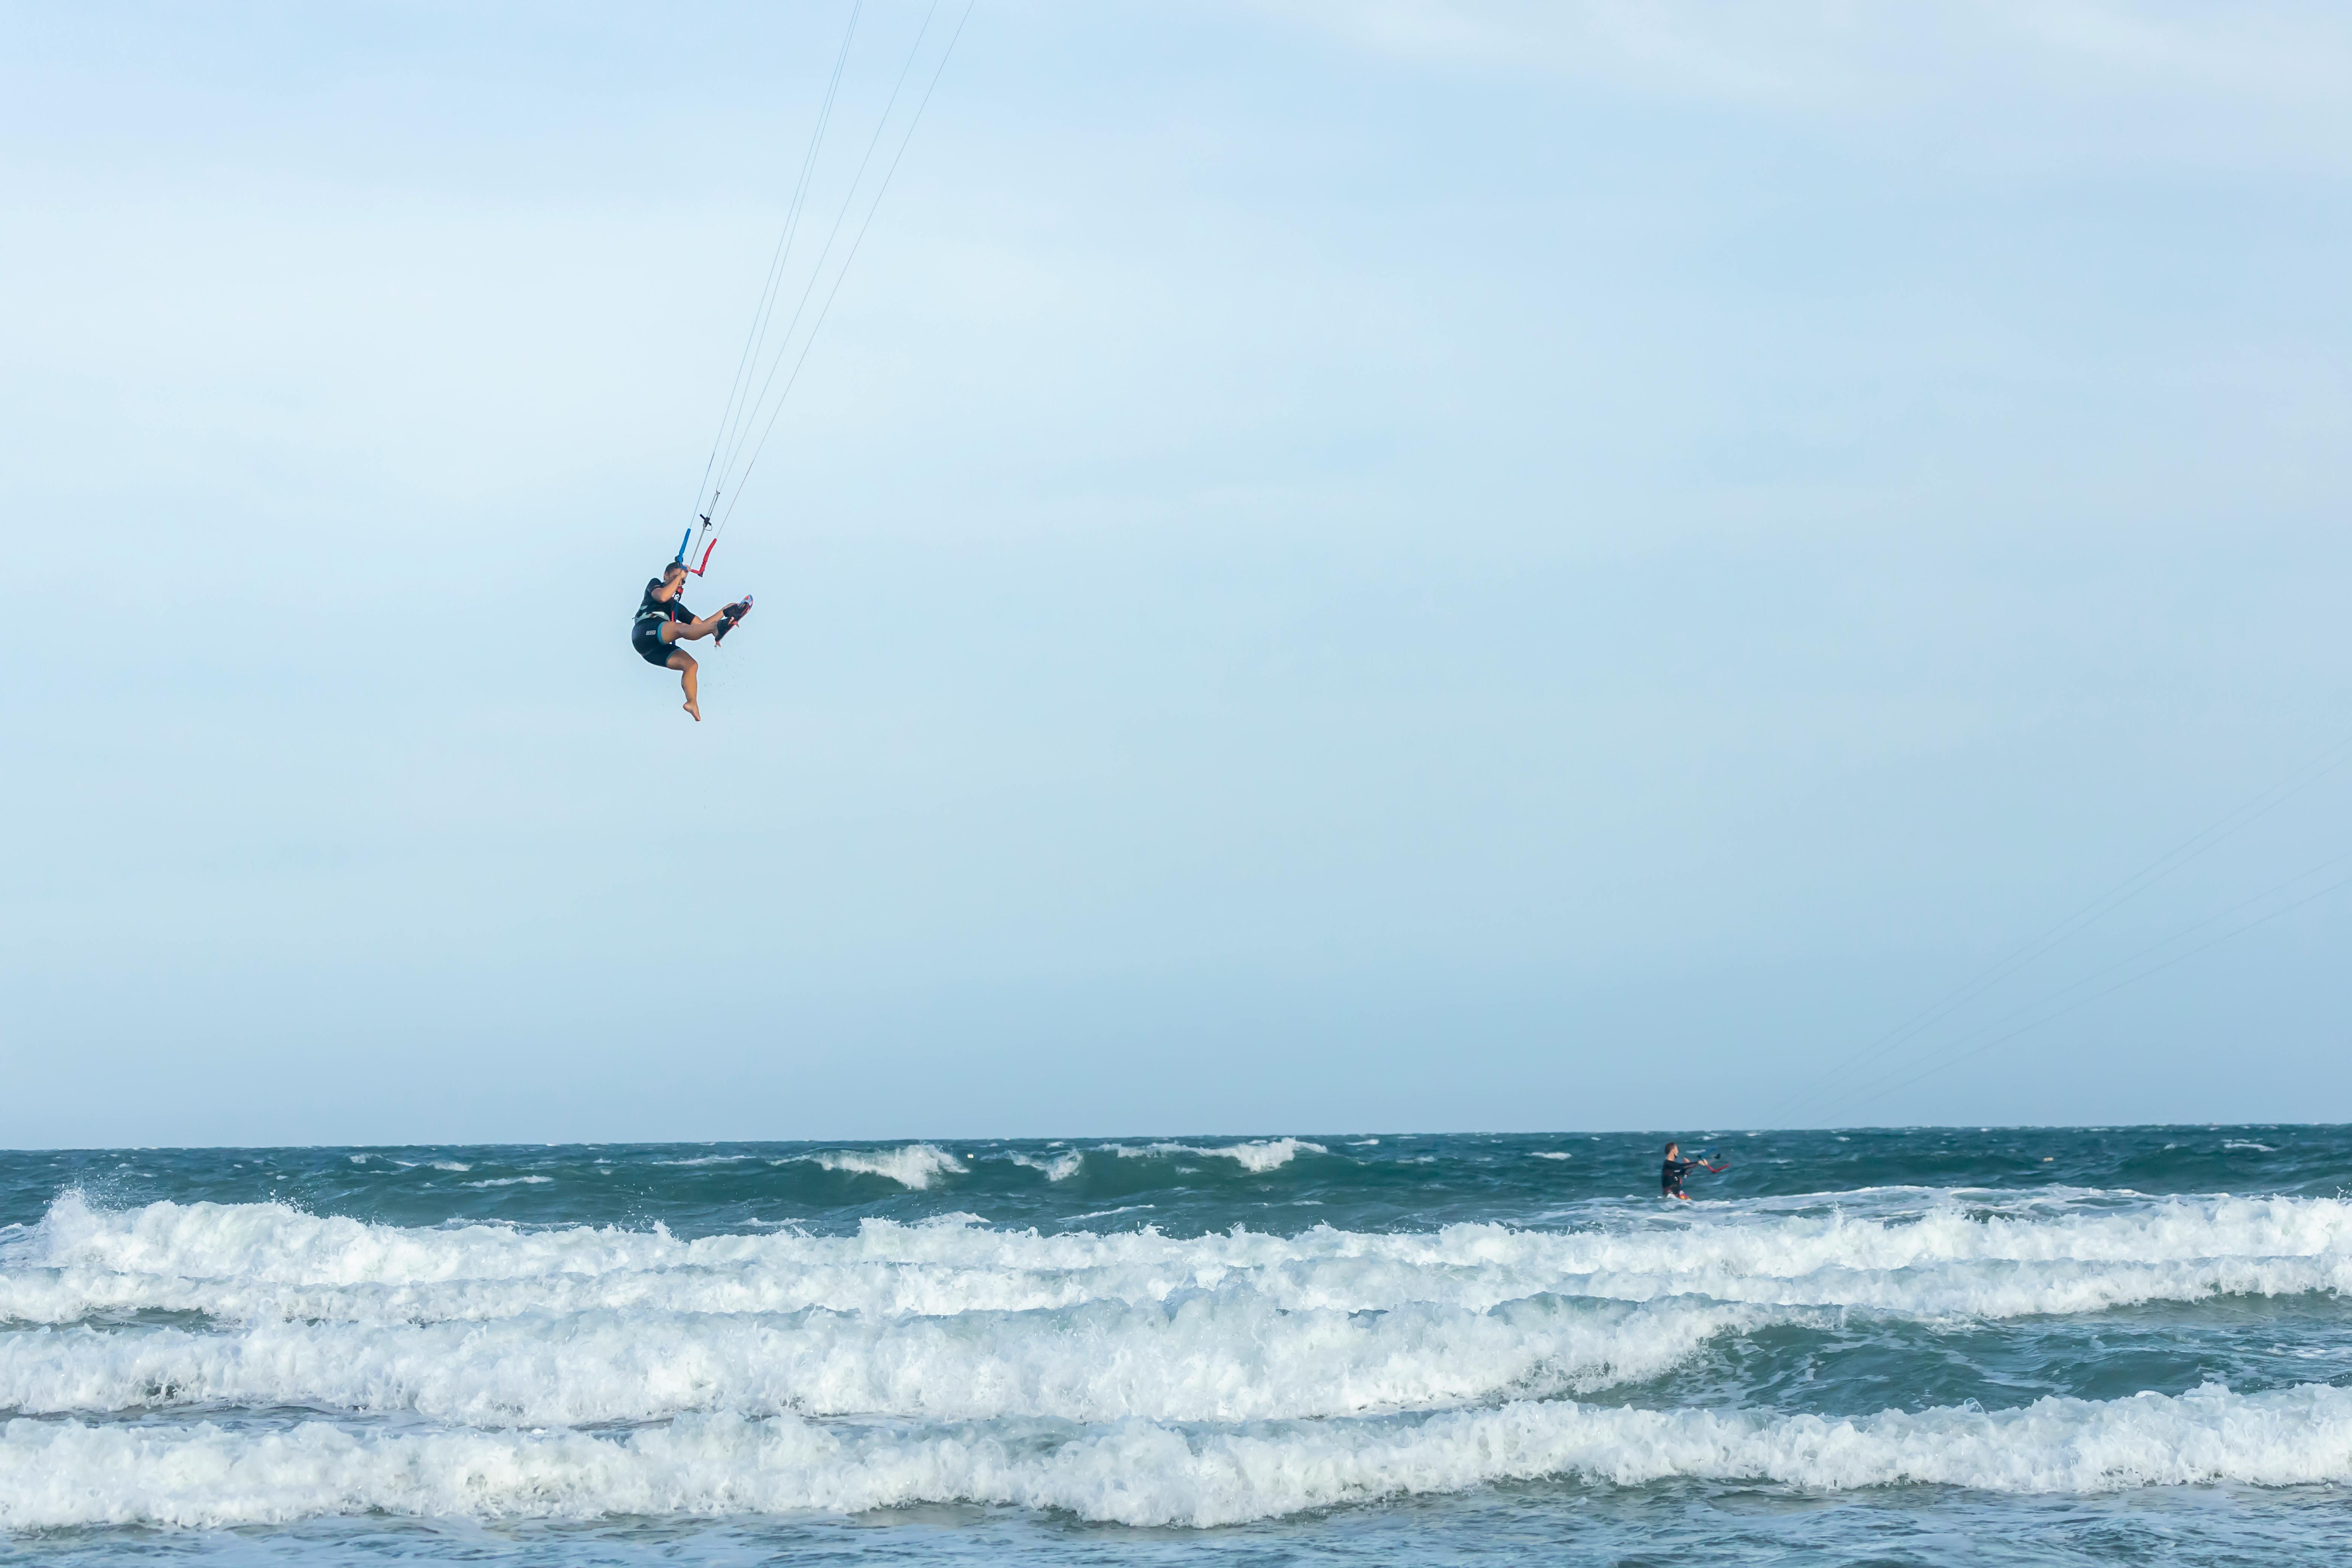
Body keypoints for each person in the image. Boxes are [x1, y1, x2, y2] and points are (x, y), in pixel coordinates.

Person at [632, 563, 749, 722]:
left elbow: (700, 626)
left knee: (691, 665)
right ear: (666, 575)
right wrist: (679, 577)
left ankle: (692, 703)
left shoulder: (676, 607)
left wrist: (723, 611)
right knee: (680, 629)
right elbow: (663, 597)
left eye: (681, 582)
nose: (679, 583)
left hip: (654, 652)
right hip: (645, 632)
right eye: (675, 578)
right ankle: (716, 630)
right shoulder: (655, 585)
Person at [1660, 1141, 1725, 1201]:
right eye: (1677, 1149)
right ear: (1673, 1151)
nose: (1678, 1151)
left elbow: (1680, 1175)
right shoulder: (1668, 1164)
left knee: (1692, 1204)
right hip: (1670, 1197)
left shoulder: (1672, 1167)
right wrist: (1698, 1163)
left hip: (1676, 1196)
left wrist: (1687, 1167)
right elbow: (1680, 1167)